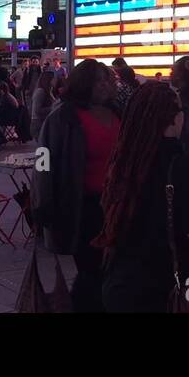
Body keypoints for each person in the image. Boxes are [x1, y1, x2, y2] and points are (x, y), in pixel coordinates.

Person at [95, 82, 189, 312]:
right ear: (174, 118)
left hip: (119, 282)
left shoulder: (125, 159)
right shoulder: (182, 166)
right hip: (161, 286)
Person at [30, 60, 120, 312]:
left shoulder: (117, 111)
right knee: (91, 269)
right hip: (84, 205)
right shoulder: (63, 117)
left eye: (108, 80)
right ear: (85, 84)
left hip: (117, 205)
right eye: (99, 80)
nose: (106, 86)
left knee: (108, 268)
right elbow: (43, 160)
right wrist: (42, 202)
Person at [30, 71, 55, 140]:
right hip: (38, 123)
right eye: (53, 79)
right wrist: (53, 108)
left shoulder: (49, 92)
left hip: (43, 122)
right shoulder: (40, 92)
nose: (55, 81)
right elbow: (37, 110)